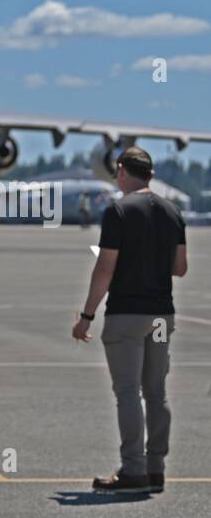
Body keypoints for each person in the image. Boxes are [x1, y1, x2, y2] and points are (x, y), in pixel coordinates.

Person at [72, 147, 187, 493]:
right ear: (150, 175)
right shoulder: (172, 211)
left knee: (127, 393)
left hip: (127, 314)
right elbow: (180, 268)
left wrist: (86, 316)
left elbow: (105, 268)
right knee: (156, 392)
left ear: (121, 171)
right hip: (161, 314)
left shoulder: (118, 211)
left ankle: (133, 470)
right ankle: (156, 468)